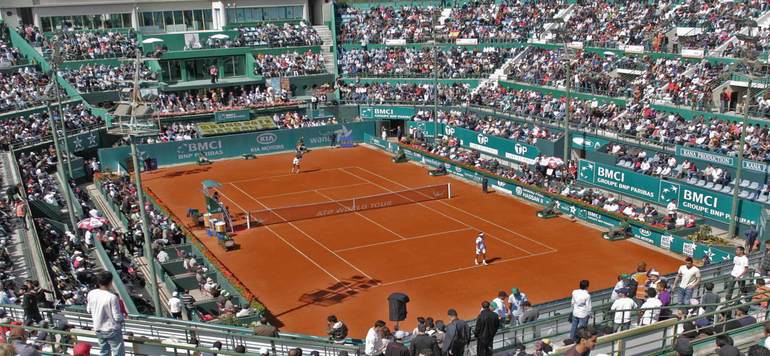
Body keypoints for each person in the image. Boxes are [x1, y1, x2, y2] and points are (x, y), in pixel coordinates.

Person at [87, 271, 124, 356]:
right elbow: (117, 317)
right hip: (112, 329)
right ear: (110, 282)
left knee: (104, 352)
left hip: (98, 328)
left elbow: (88, 310)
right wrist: (123, 319)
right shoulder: (112, 297)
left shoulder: (91, 293)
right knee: (118, 353)